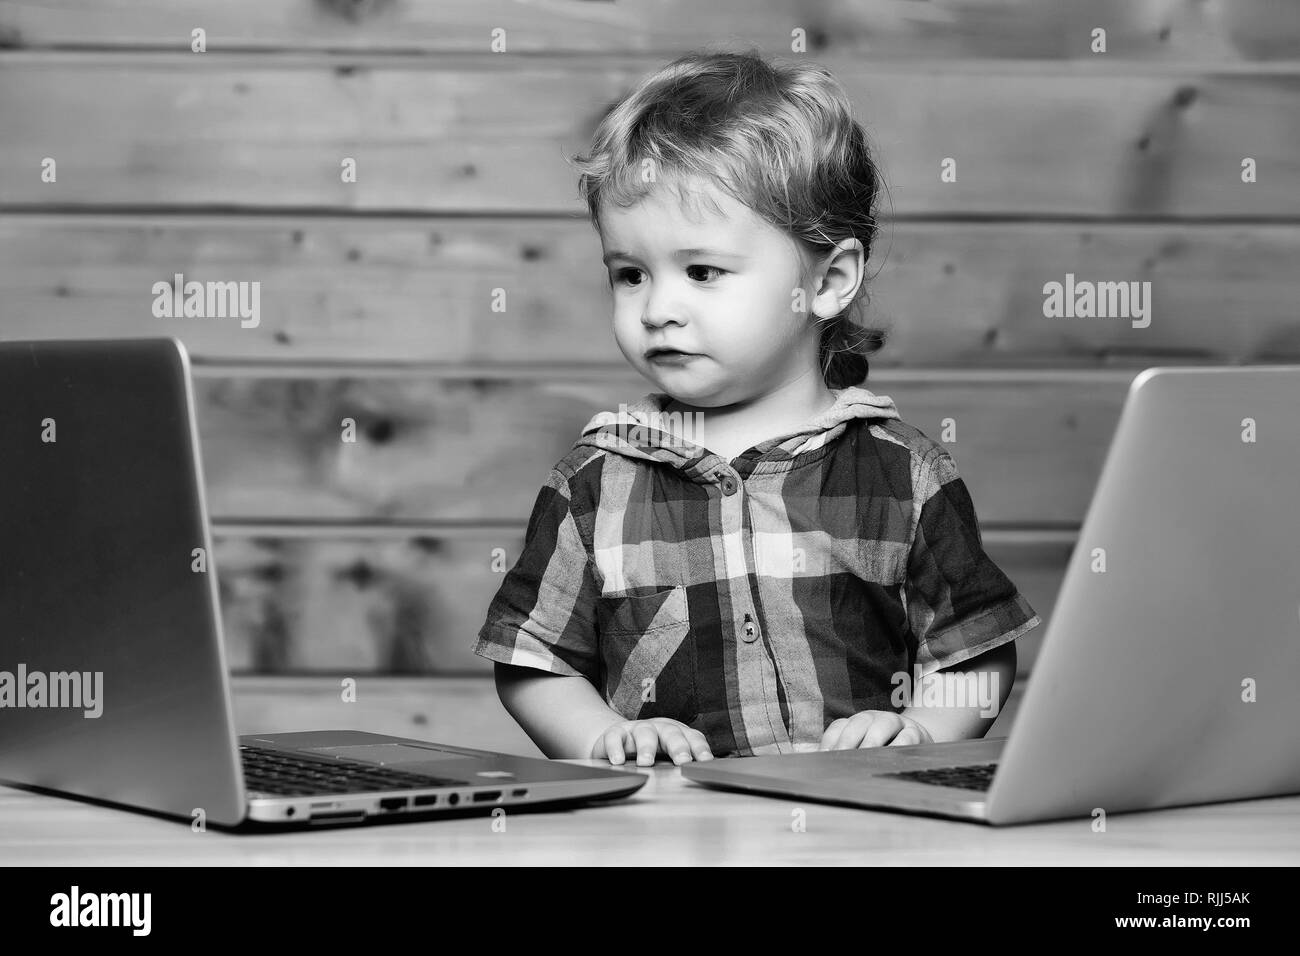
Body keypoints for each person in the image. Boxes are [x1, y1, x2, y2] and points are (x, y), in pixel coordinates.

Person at [473, 50, 1041, 766]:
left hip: (864, 833)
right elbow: (533, 663)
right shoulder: (596, 481)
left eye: (702, 271)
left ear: (829, 281)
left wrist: (921, 733)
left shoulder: (903, 472)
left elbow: (975, 655)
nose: (657, 310)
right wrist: (601, 737)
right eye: (630, 275)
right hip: (668, 834)